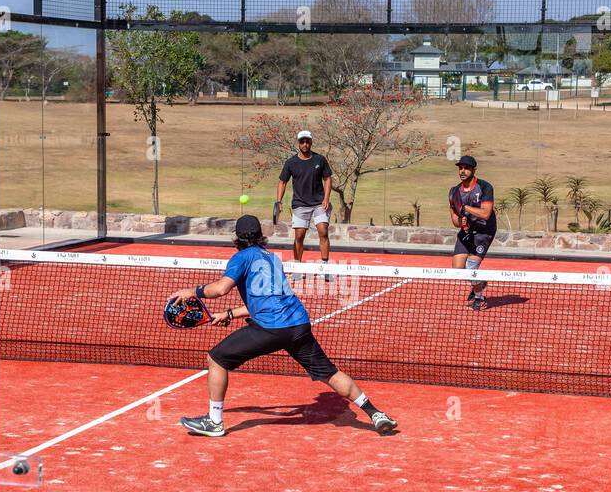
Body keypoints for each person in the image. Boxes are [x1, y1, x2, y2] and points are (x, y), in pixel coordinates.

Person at [167, 214, 397, 438]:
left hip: (270, 328)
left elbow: (220, 289)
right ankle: (376, 414)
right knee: (330, 373)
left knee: (216, 358)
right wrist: (229, 313)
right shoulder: (272, 258)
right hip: (298, 325)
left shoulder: (242, 257)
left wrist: (192, 291)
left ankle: (214, 421)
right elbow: (271, 299)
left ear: (237, 238)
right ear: (260, 236)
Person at [276, 130, 333, 280]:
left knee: (323, 231)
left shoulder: (320, 160)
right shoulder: (291, 162)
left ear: (311, 142)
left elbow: (327, 179)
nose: (305, 144)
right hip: (300, 204)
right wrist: (279, 201)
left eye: (307, 141)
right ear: (298, 143)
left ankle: (324, 268)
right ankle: (297, 268)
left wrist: (326, 198)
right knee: (299, 236)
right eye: (302, 141)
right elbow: (282, 182)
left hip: (319, 203)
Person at [448, 155, 496, 311]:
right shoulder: (454, 192)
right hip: (467, 231)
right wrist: (461, 219)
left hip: (484, 231)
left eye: (466, 168)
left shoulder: (485, 187)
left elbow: (486, 214)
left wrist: (465, 208)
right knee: (457, 270)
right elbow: (455, 221)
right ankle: (480, 282)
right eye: (460, 168)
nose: (463, 171)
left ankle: (479, 297)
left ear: (473, 170)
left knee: (471, 266)